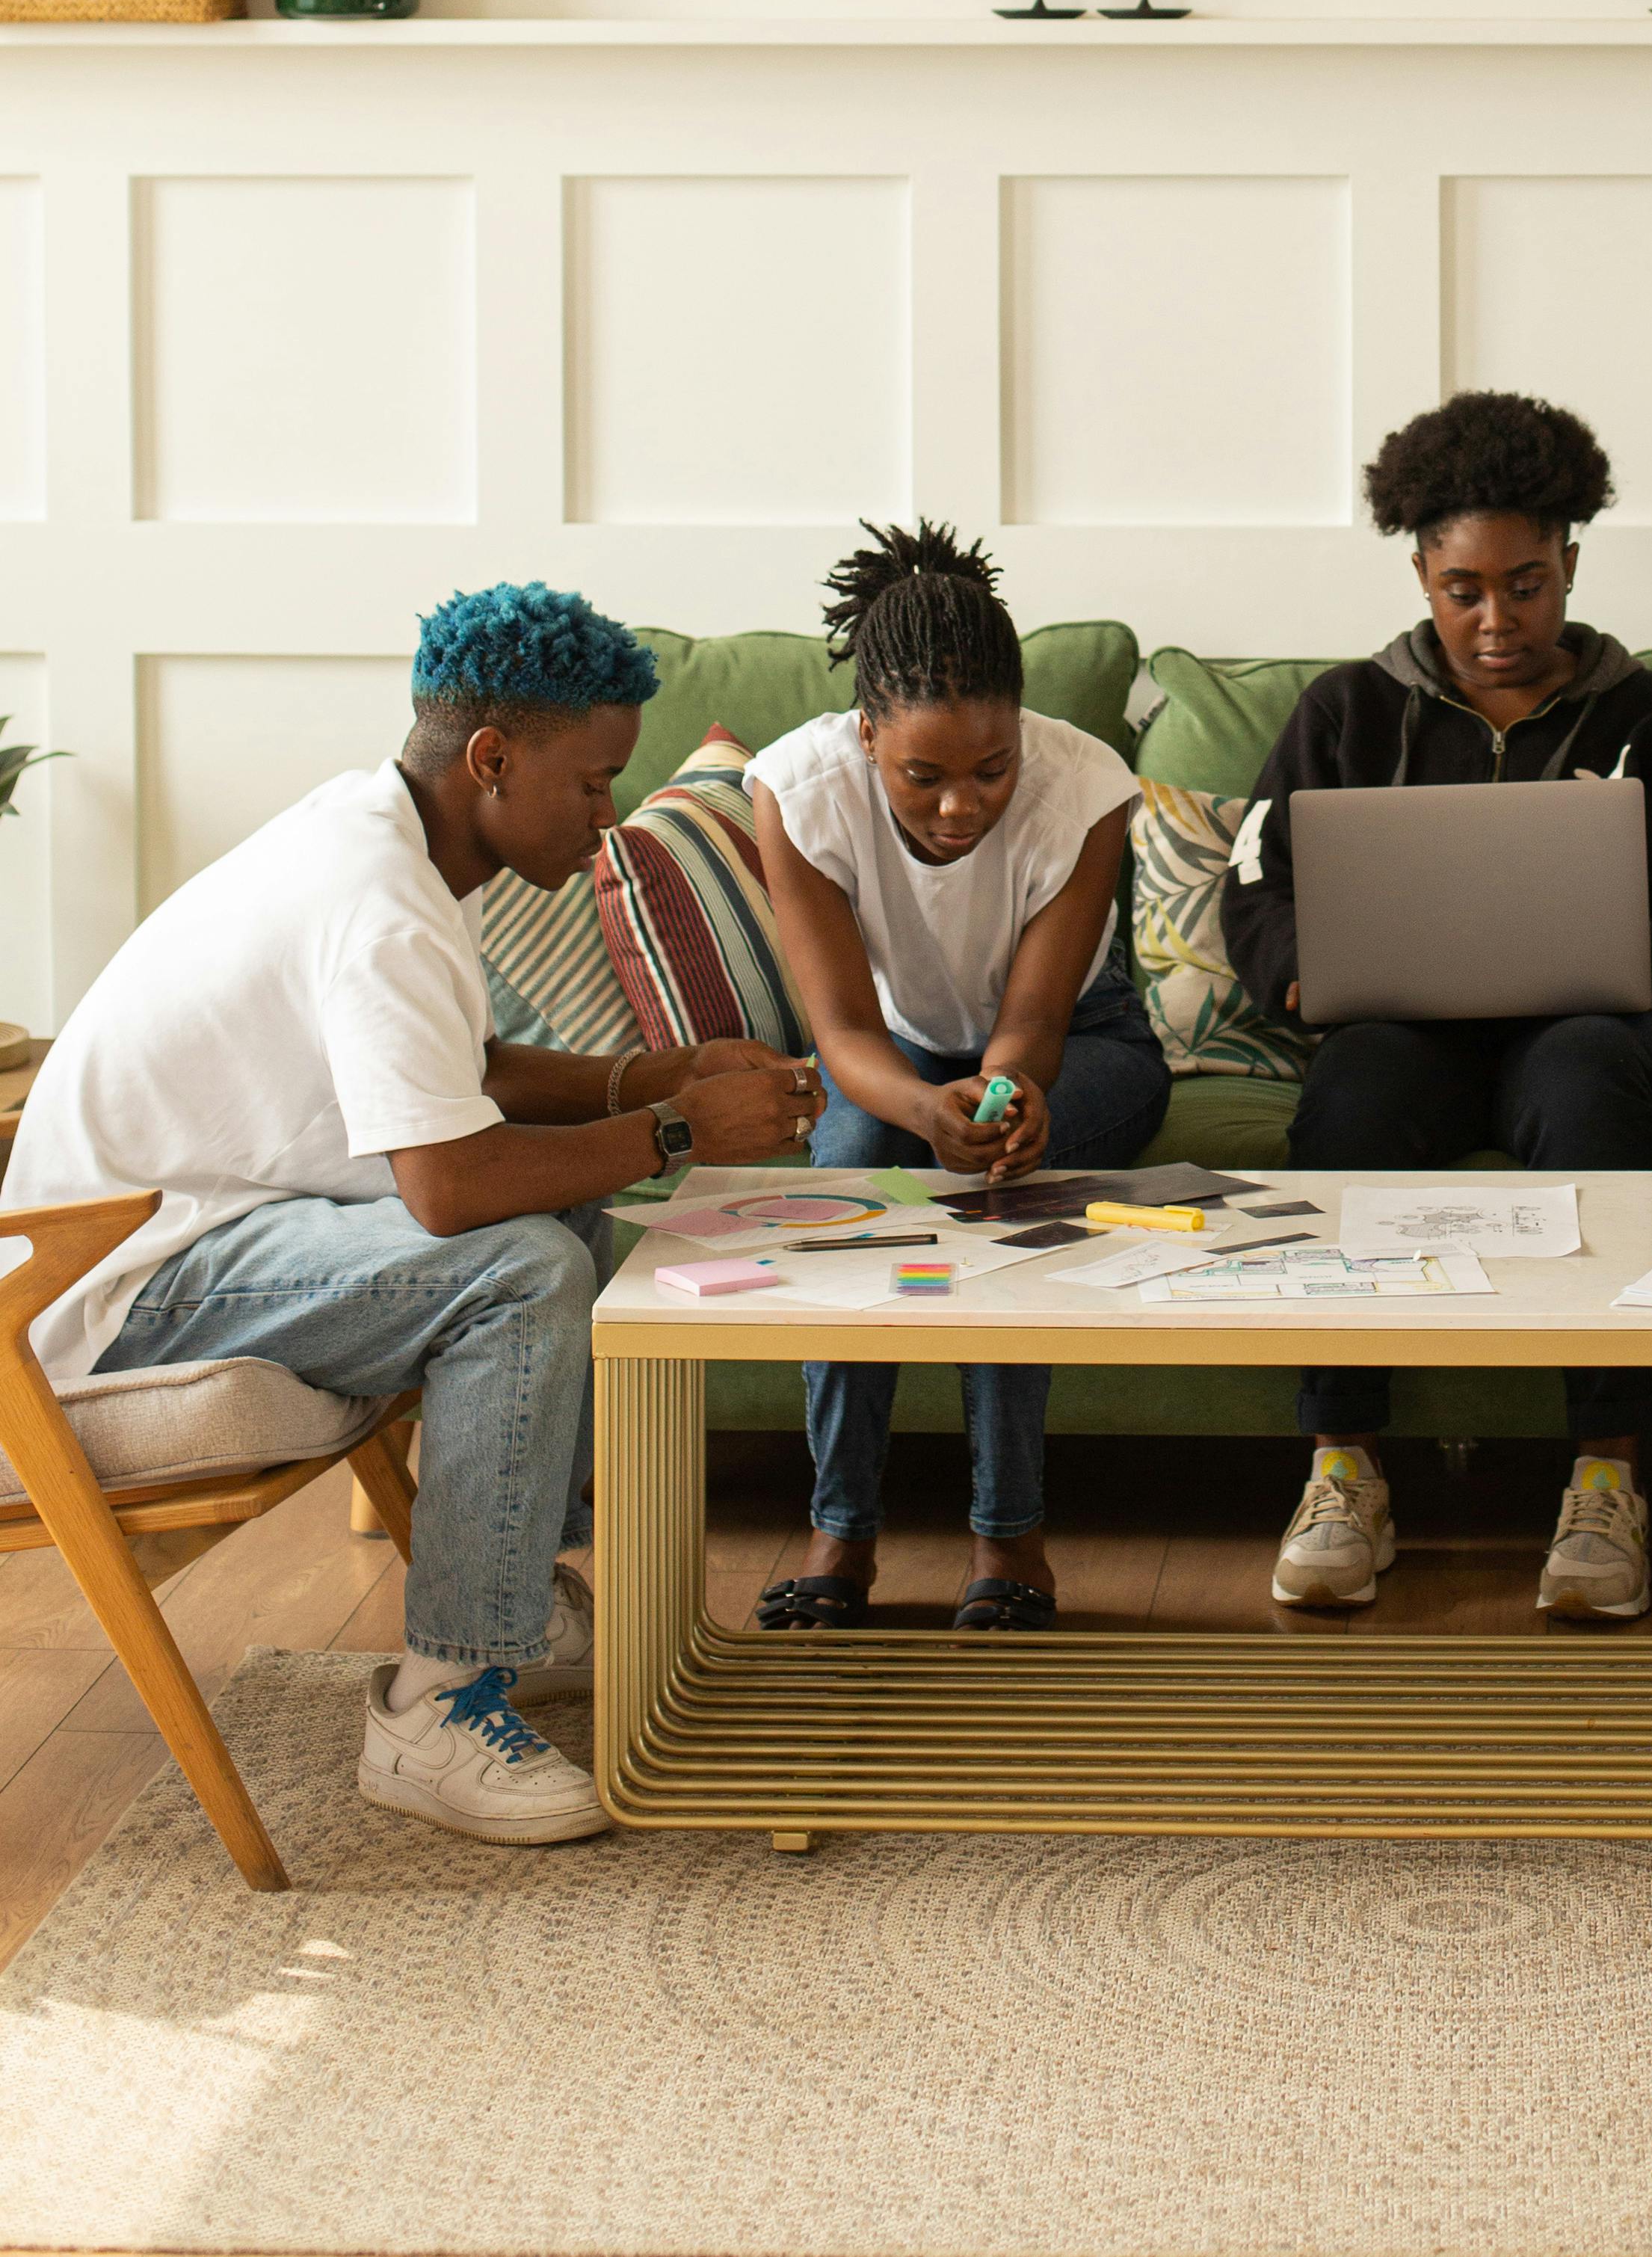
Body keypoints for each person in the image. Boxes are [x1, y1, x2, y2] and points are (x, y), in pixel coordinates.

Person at [0, 586, 819, 1845]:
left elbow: (466, 1073)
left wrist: (651, 1078)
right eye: (594, 784)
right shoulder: (376, 899)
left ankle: (513, 1597)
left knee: (567, 1210)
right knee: (524, 1267)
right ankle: (434, 1706)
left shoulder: (404, 845)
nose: (609, 819)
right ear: (492, 759)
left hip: (208, 1227)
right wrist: (679, 1133)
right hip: (112, 1282)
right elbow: (449, 1190)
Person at [1223, 389, 1652, 1622]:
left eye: (1526, 584)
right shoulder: (1346, 712)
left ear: (1570, 562)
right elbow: (1256, 874)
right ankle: (1343, 1468)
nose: (1496, 619)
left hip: (1604, 1037)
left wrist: (1615, 960)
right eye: (1463, 588)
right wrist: (1296, 967)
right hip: (1404, 1032)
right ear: (1419, 569)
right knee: (1351, 1095)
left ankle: (1607, 1476)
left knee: (1579, 1082)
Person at [749, 521, 1168, 1634]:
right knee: (851, 1181)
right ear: (866, 735)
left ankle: (1010, 1539)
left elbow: (1030, 1028)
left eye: (992, 769)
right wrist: (920, 1108)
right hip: (892, 1059)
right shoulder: (799, 790)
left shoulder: (1086, 788)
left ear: (1024, 731)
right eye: (921, 777)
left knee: (1006, 1190)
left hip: (1083, 1047)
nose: (959, 806)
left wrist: (998, 1107)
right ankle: (841, 1534)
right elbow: (839, 1032)